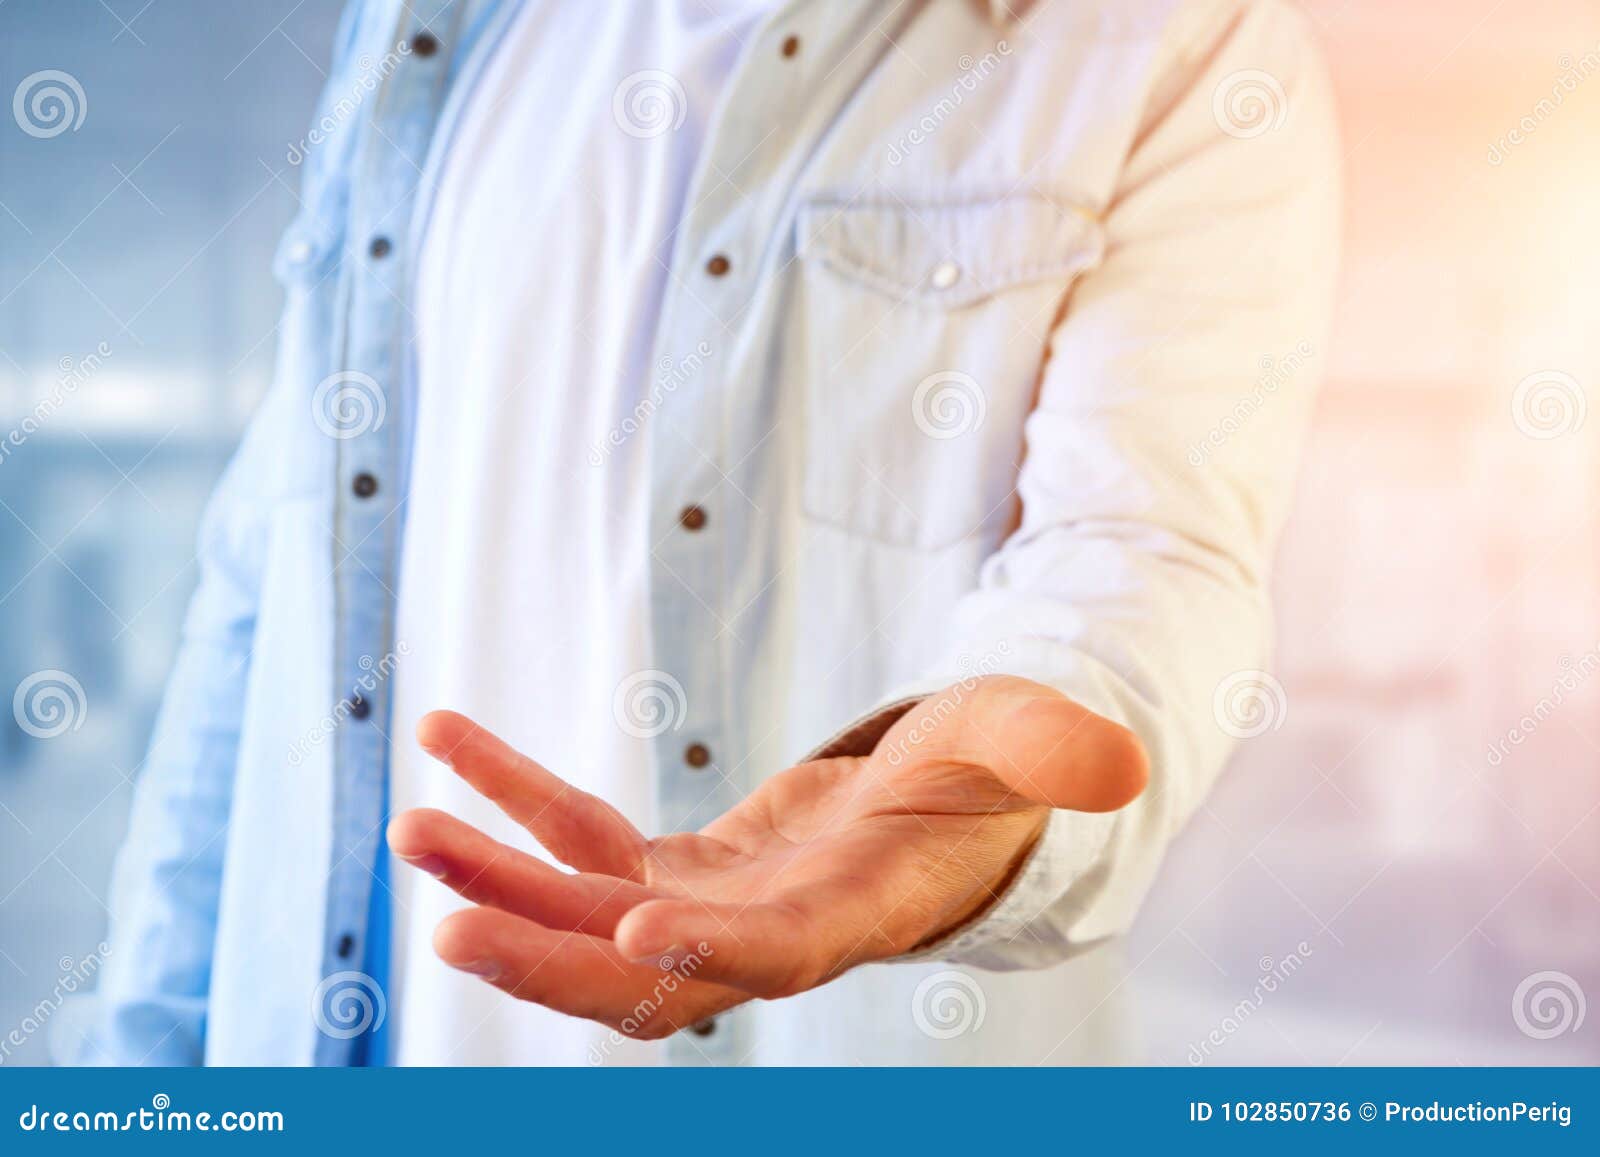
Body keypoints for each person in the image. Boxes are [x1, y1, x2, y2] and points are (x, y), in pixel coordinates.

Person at [72, 0, 1339, 1066]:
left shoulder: (1176, 44)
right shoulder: (428, 26)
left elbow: (1142, 552)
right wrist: (148, 1061)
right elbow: (268, 593)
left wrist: (984, 799)